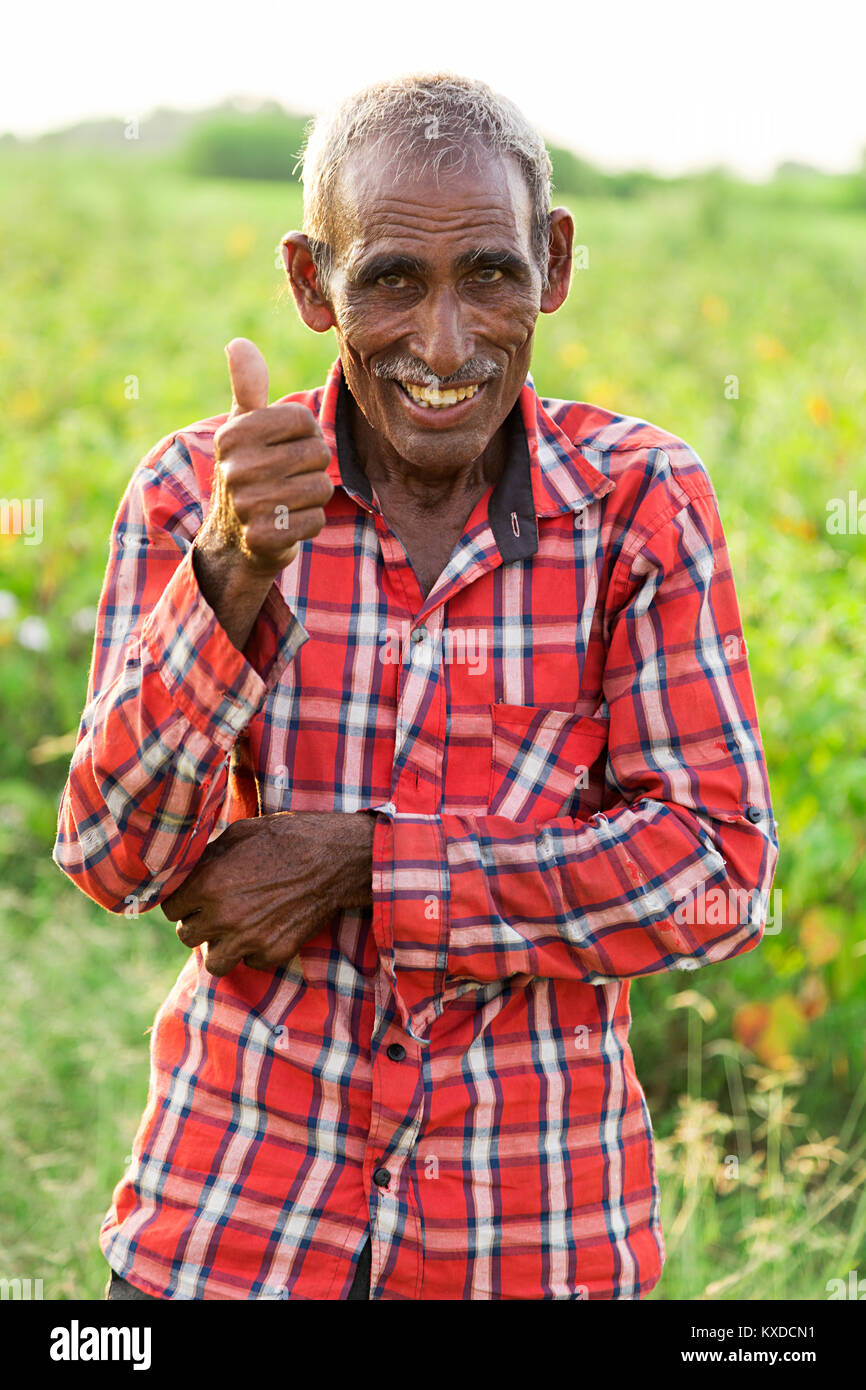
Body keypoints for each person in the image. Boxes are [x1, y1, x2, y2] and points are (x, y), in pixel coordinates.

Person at [54, 71, 778, 1301]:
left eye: (488, 275)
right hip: (235, 1229)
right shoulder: (197, 492)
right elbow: (113, 858)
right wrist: (233, 570)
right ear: (309, 283)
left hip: (531, 1240)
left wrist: (369, 864)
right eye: (389, 280)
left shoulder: (638, 505)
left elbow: (717, 873)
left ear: (550, 264)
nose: (443, 345)